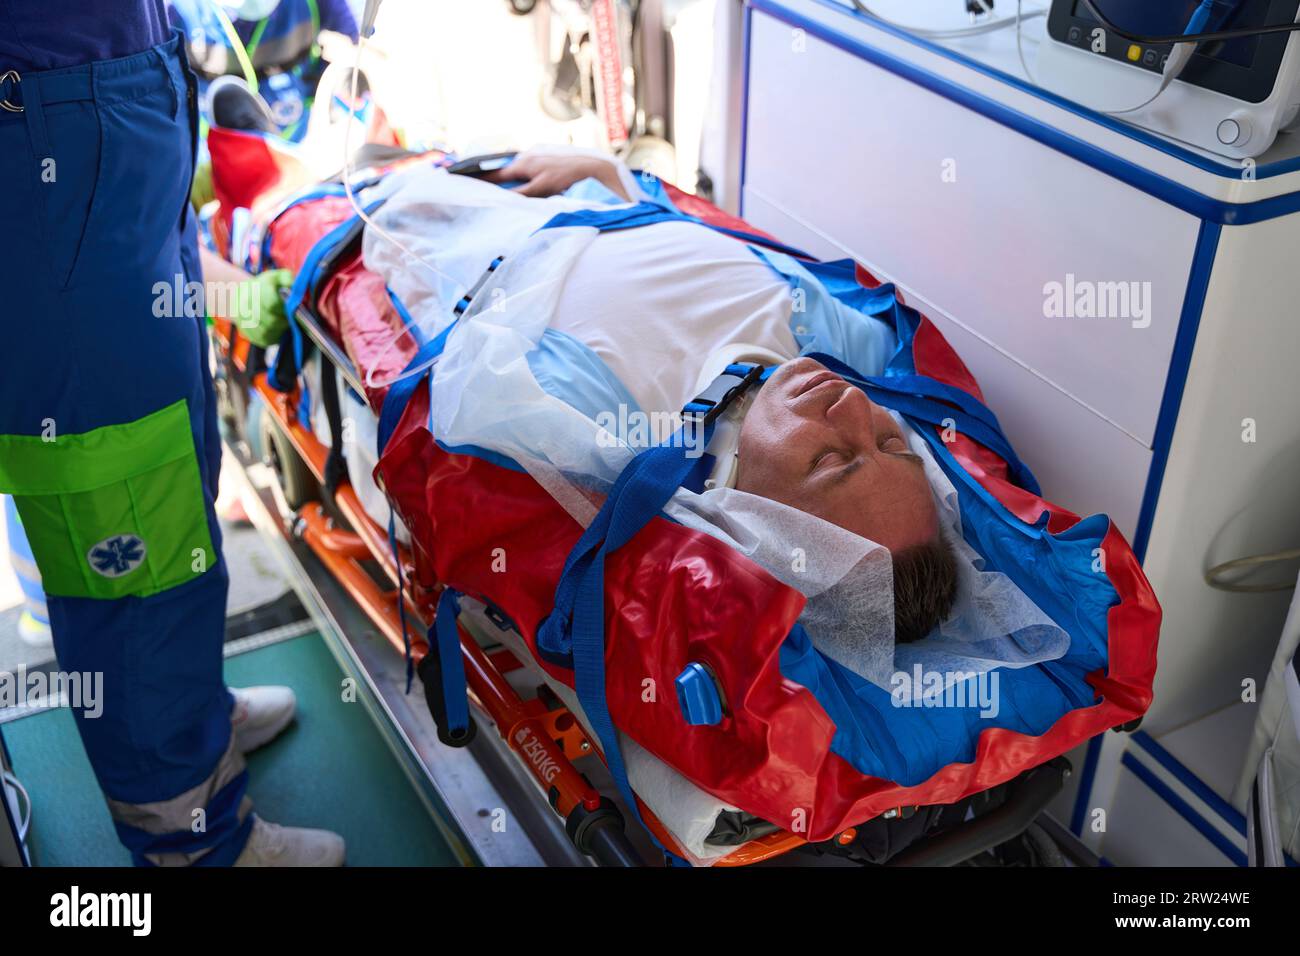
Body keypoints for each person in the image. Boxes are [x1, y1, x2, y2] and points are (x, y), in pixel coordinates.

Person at [0, 0, 344, 866]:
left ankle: (194, 717)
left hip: (118, 96)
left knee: (176, 458)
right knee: (123, 502)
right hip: (49, 119)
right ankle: (192, 832)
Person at [365, 149, 961, 643]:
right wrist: (607, 175)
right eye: (890, 441)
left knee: (371, 166)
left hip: (456, 213)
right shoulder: (853, 347)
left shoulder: (605, 432)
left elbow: (472, 392)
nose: (852, 406)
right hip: (595, 188)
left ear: (757, 526)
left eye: (830, 459)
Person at [169, 0, 359, 143]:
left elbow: (362, 53)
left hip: (298, 147)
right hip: (212, 156)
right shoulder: (175, 11)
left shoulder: (314, 4)